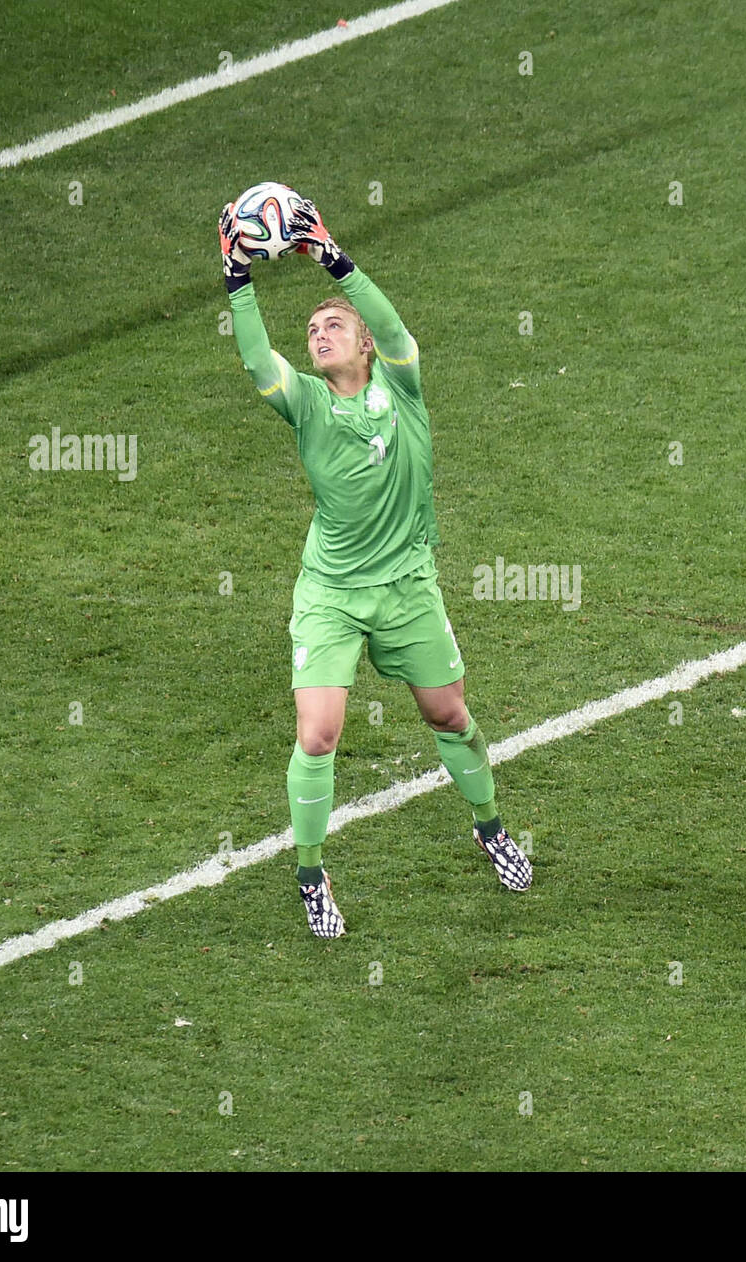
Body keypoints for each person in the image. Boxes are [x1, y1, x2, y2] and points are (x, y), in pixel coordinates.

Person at [217, 193, 532, 938]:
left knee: (447, 712)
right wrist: (237, 278)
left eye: (333, 327)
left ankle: (490, 828)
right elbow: (258, 356)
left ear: (363, 348)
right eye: (313, 329)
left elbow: (392, 325)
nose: (320, 334)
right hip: (330, 591)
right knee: (318, 733)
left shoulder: (403, 389)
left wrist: (333, 258)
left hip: (408, 586)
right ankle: (310, 874)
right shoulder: (307, 406)